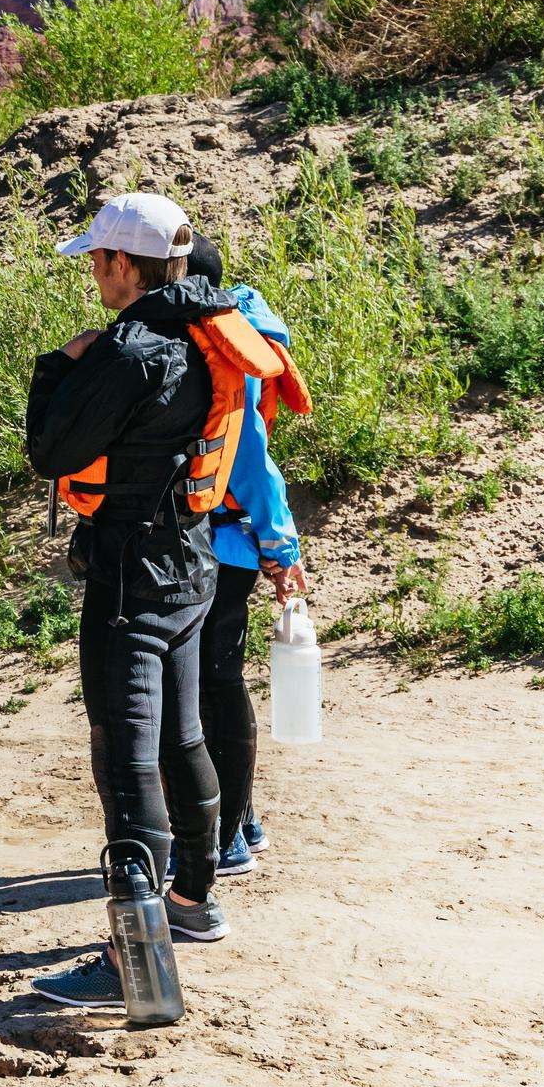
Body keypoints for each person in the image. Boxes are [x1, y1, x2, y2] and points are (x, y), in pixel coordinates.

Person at [23, 193, 234, 1010]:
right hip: (193, 564)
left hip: (130, 578)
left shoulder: (134, 348)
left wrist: (59, 365)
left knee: (126, 757)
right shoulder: (209, 323)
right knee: (183, 737)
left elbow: (51, 449)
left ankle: (134, 963)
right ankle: (194, 901)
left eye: (96, 260)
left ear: (122, 264)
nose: (92, 273)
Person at [184, 235, 310, 874]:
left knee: (214, 685)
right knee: (211, 683)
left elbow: (255, 464)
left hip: (226, 543)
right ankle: (244, 818)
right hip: (226, 538)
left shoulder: (219, 353)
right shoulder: (226, 338)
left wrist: (279, 546)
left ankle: (228, 836)